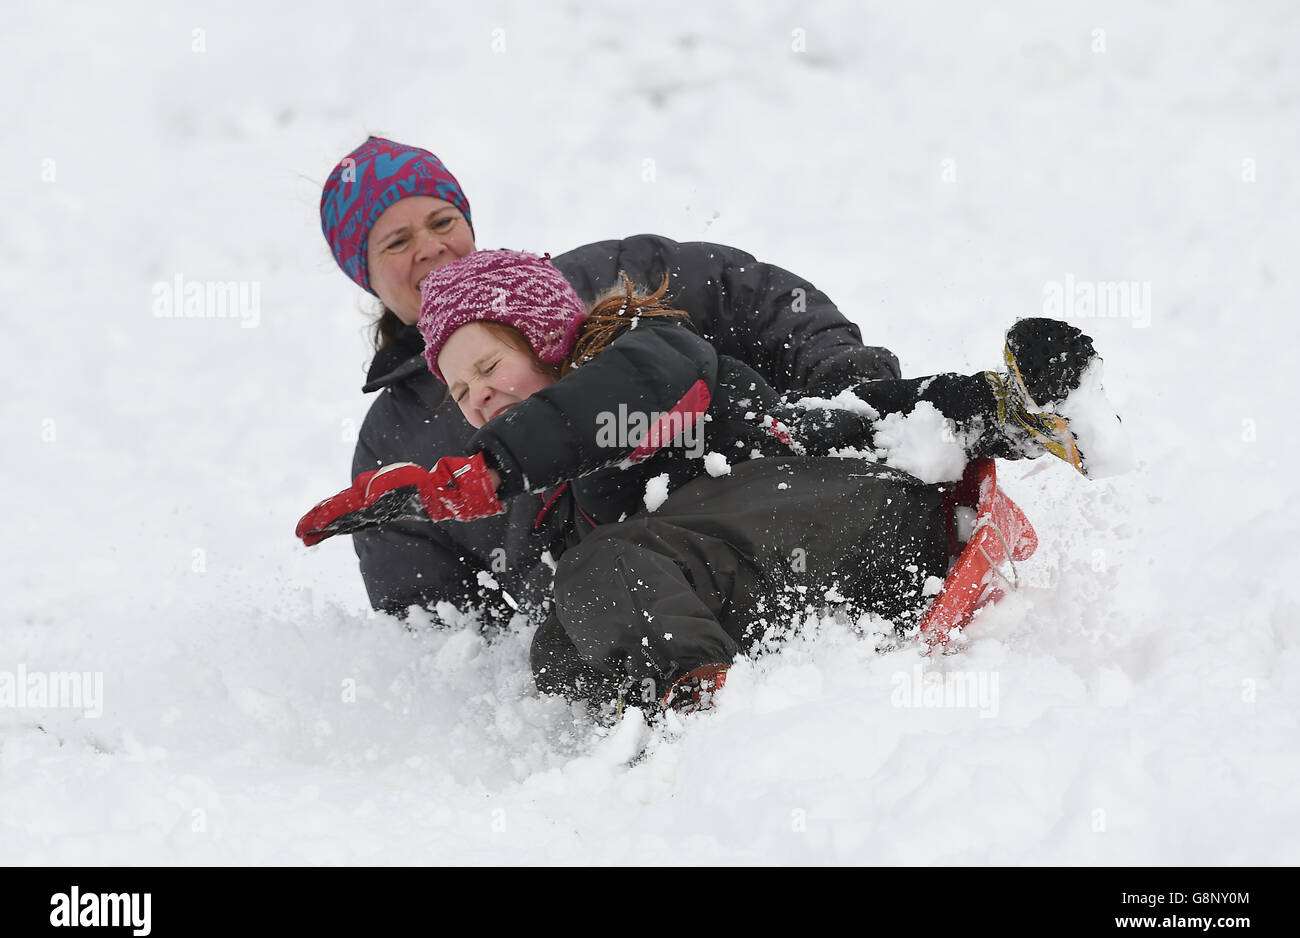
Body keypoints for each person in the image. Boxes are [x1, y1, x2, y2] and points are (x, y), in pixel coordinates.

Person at [297, 250, 1105, 713]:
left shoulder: (651, 355)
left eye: (489, 366)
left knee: (605, 564)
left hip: (850, 530)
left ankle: (706, 719)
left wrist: (979, 410)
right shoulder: (554, 508)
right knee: (564, 626)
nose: (482, 398)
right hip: (776, 599)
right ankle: (696, 688)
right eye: (464, 395)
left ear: (546, 338)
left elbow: (835, 420)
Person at [318, 136, 904, 621]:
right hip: (614, 614)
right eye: (397, 242)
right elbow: (429, 618)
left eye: (441, 220)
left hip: (747, 508)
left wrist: (845, 381)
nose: (429, 247)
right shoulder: (390, 441)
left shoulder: (597, 278)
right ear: (363, 274)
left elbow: (750, 296)